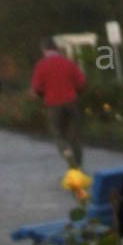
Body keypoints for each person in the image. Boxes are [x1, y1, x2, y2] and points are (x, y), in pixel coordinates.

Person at [31, 38, 87, 167]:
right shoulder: (69, 63)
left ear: (43, 50)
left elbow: (37, 88)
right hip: (71, 102)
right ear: (56, 48)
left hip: (53, 104)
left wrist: (40, 95)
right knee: (74, 136)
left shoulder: (41, 65)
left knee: (57, 132)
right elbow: (81, 83)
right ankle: (78, 165)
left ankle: (65, 152)